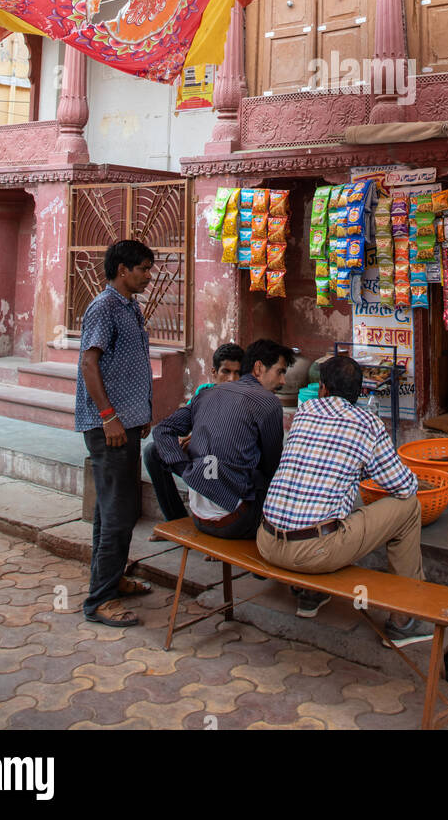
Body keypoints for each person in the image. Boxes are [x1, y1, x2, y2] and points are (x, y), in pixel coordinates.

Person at [257, 353, 430, 646]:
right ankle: (404, 620)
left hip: (267, 541)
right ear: (360, 393)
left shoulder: (305, 411)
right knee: (409, 507)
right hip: (316, 553)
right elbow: (403, 487)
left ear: (322, 388)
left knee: (340, 493)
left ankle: (311, 595)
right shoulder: (368, 423)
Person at [75, 238, 155, 629]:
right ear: (123, 270)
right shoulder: (103, 307)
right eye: (142, 269)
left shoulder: (131, 307)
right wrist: (109, 417)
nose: (147, 276)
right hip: (110, 427)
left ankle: (110, 579)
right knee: (118, 513)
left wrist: (141, 413)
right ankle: (99, 600)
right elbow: (89, 364)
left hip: (126, 422)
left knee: (113, 512)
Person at [144, 339, 293, 539]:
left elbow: (163, 429)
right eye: (280, 372)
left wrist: (187, 470)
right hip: (234, 522)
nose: (283, 381)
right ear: (258, 368)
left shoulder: (206, 395)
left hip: (199, 517)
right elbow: (271, 467)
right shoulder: (268, 403)